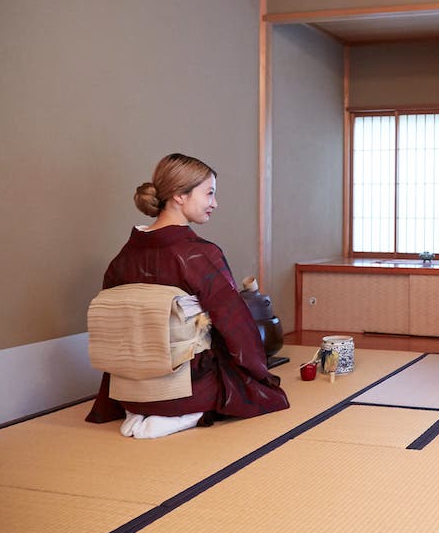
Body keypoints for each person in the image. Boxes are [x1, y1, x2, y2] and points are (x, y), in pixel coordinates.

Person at [86, 153, 289, 438]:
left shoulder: (124, 255)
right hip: (183, 388)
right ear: (180, 196)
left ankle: (142, 410)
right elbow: (235, 324)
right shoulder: (199, 253)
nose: (214, 203)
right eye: (209, 193)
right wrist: (260, 371)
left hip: (129, 388)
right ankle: (180, 414)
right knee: (253, 386)